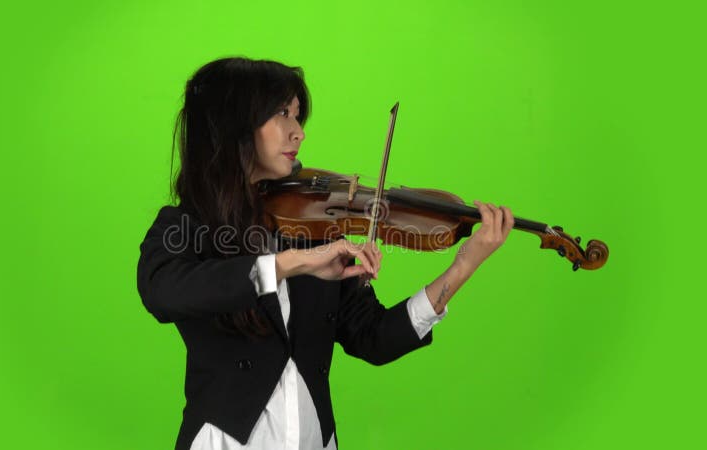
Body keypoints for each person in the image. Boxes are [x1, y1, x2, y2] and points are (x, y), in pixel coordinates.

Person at [136, 57, 514, 450]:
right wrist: (290, 264)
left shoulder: (312, 227)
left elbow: (374, 338)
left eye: (298, 117)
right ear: (231, 125)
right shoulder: (185, 228)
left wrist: (463, 266)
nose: (298, 132)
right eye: (282, 114)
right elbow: (163, 293)